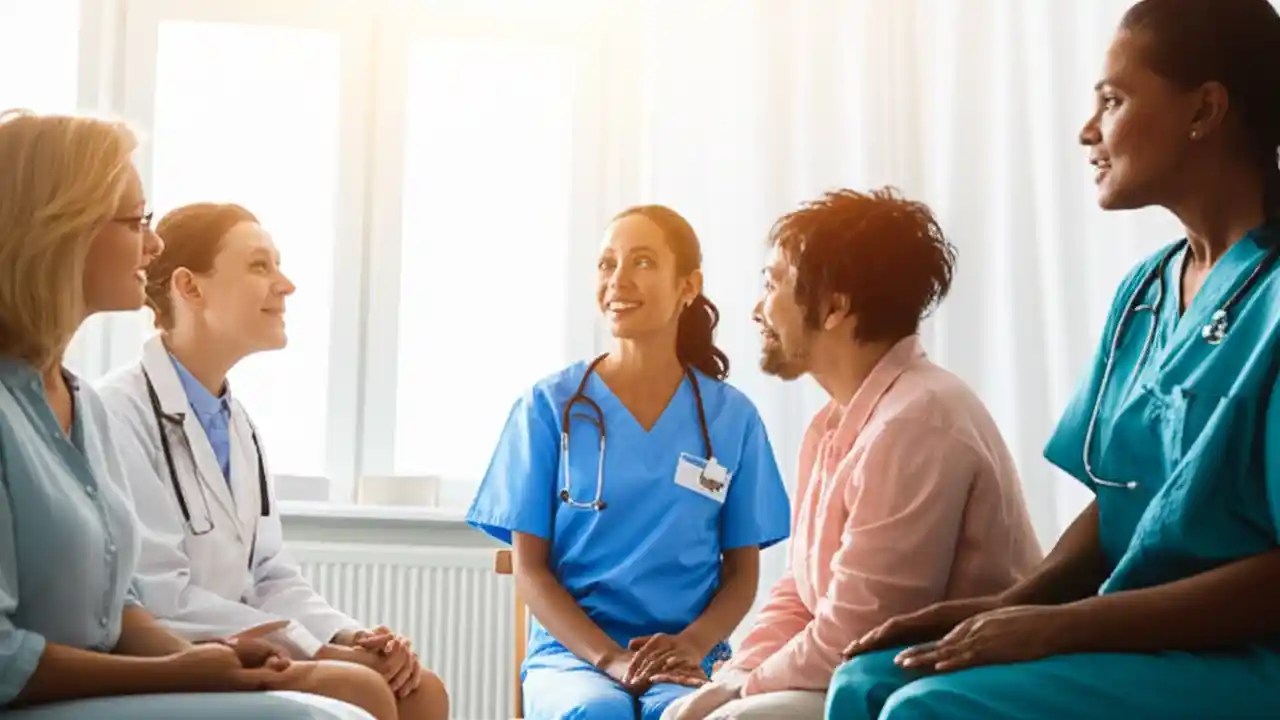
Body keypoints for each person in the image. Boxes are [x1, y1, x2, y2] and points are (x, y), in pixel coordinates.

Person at [827, 1, 1280, 718]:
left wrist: (1060, 626)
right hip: (1133, 636)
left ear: (1205, 110)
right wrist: (1000, 607)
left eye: (1113, 99)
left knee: (929, 708)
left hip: (1249, 654)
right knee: (863, 682)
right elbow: (1124, 505)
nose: (1088, 130)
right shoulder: (1145, 294)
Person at [0, 109, 391, 719]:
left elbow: (122, 605)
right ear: (61, 231)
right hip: (38, 697)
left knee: (382, 694)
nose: (152, 245)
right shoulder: (94, 409)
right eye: (136, 222)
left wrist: (226, 660)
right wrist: (184, 666)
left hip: (118, 674)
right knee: (341, 708)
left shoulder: (83, 411)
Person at [662, 189, 1042, 720]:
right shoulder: (835, 422)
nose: (755, 309)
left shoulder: (915, 422)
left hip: (938, 683)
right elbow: (802, 590)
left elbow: (856, 631)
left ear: (836, 306)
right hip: (861, 667)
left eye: (772, 283)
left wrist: (739, 694)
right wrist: (734, 674)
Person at [96, 202, 449, 720]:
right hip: (182, 652)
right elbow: (158, 595)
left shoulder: (236, 422)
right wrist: (319, 650)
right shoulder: (118, 411)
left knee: (422, 691)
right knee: (361, 691)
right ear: (190, 288)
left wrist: (352, 635)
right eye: (260, 266)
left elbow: (271, 575)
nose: (285, 285)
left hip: (246, 640)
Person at [466, 205, 792, 719]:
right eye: (606, 264)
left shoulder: (732, 419)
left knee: (690, 714)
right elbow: (530, 568)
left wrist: (692, 645)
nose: (618, 280)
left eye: (641, 261)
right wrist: (609, 657)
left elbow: (741, 575)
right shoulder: (548, 407)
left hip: (687, 655)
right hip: (573, 656)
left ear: (688, 285)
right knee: (597, 712)